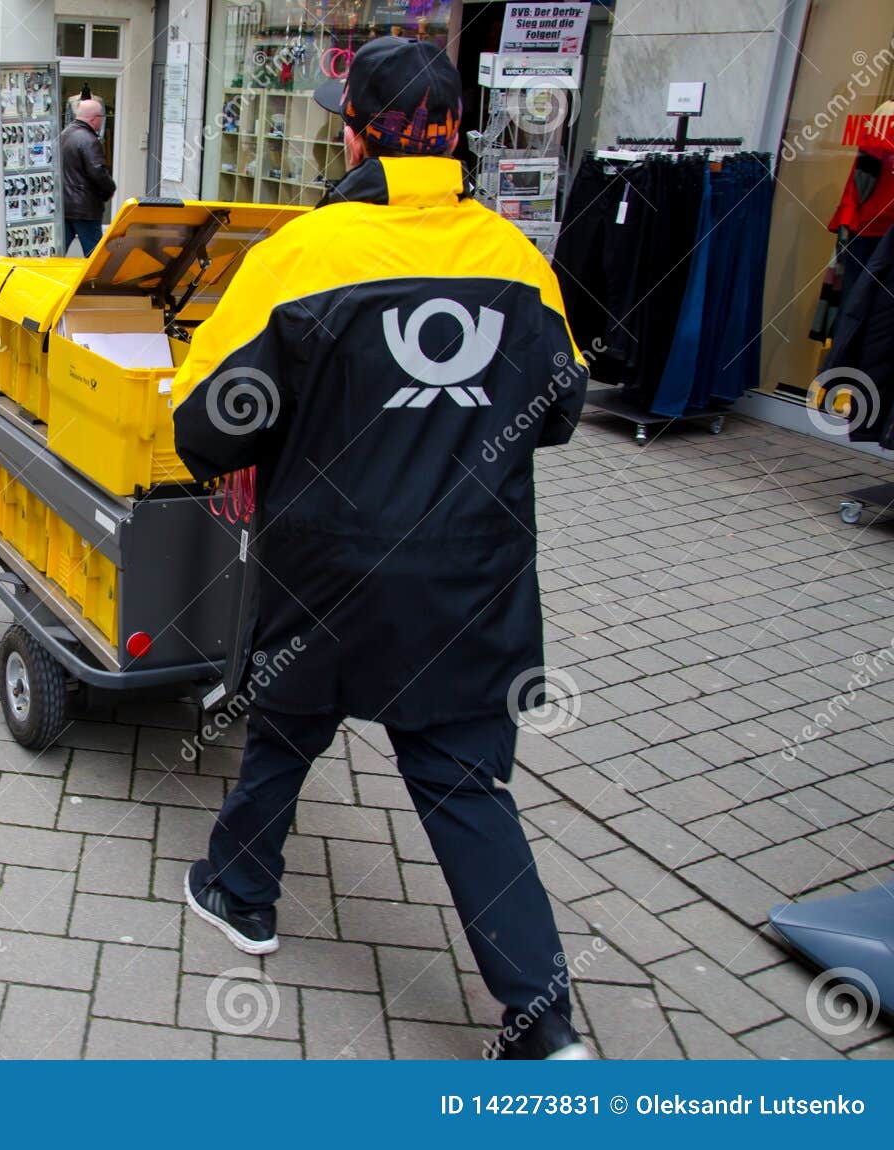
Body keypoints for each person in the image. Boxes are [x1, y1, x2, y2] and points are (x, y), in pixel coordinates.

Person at [170, 36, 590, 1061]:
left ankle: (242, 892)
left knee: (290, 721)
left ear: (356, 130)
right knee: (460, 783)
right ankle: (546, 1029)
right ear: (453, 143)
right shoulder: (513, 254)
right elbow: (564, 407)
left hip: (332, 562)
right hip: (472, 572)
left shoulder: (303, 255)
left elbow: (208, 422)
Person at [59, 97, 115, 256]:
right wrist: (109, 189)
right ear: (94, 119)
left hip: (64, 206)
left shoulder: (64, 135)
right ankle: (94, 282)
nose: (102, 122)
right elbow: (97, 171)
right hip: (85, 208)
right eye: (101, 118)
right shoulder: (89, 140)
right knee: (95, 257)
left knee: (58, 253)